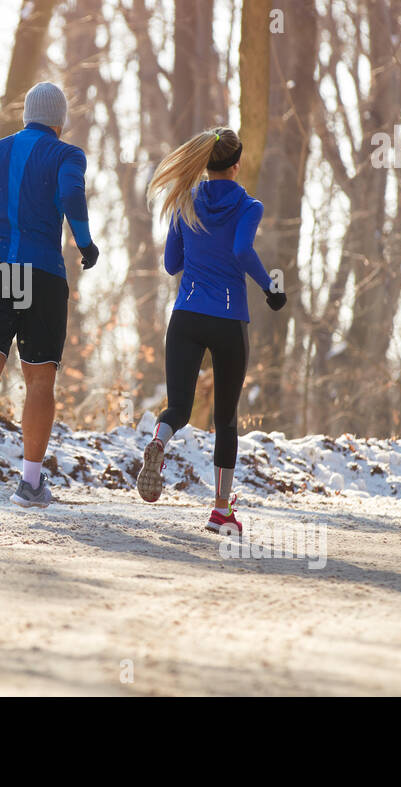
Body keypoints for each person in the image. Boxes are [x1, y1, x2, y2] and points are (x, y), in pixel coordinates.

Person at [0, 82, 98, 509]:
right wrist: (84, 242)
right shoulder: (67, 154)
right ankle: (29, 484)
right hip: (42, 272)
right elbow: (70, 193)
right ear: (59, 121)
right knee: (40, 379)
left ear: (26, 115)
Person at [137, 127, 286, 532]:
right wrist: (270, 287)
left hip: (186, 316)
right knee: (226, 419)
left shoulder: (184, 199)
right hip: (228, 318)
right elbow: (241, 250)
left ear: (206, 162)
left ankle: (159, 442)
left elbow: (171, 264)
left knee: (179, 407)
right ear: (237, 165)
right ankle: (221, 510)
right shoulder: (248, 206)